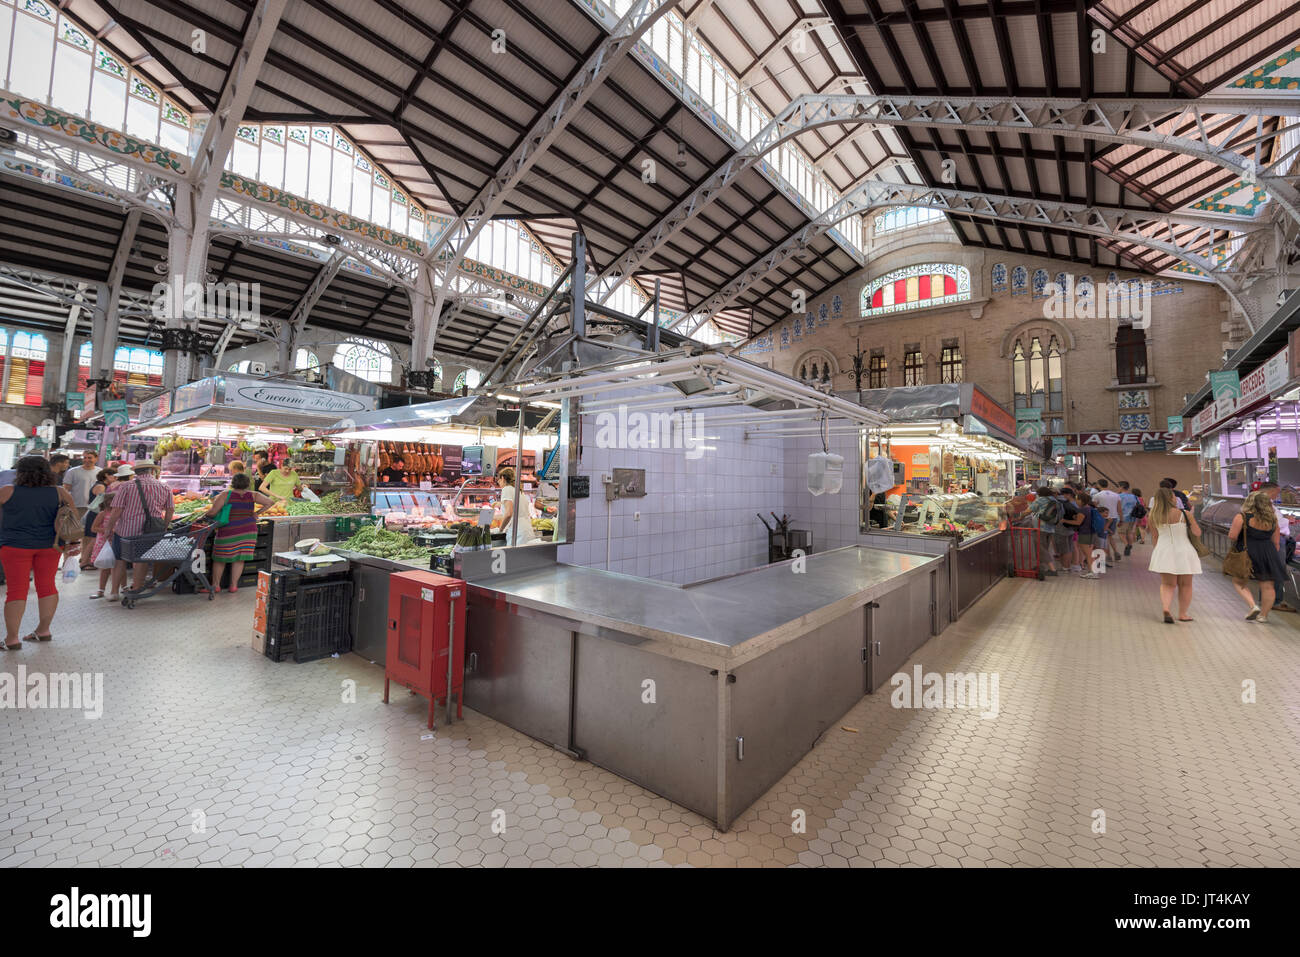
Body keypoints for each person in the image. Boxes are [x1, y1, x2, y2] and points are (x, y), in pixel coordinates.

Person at [0, 456, 76, 648]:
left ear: (20, 472)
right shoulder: (60, 493)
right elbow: (73, 519)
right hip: (50, 546)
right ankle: (43, 630)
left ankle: (12, 639)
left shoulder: (7, 491)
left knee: (16, 590)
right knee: (47, 586)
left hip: (14, 547)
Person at [102, 459, 174, 599]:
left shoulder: (127, 486)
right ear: (152, 471)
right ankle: (136, 589)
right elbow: (170, 510)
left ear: (134, 472)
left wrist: (108, 528)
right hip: (150, 532)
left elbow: (117, 510)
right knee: (142, 560)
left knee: (120, 560)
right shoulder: (164, 487)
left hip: (125, 531)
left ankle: (114, 592)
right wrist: (164, 526)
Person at [205, 472, 275, 593]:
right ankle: (233, 586)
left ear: (233, 483)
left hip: (229, 531)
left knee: (220, 558)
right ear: (247, 484)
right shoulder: (253, 495)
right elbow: (270, 502)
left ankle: (216, 585)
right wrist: (256, 514)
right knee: (239, 558)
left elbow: (212, 512)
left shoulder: (226, 495)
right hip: (249, 531)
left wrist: (203, 515)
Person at [1226, 491, 1288, 623]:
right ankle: (1263, 616)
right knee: (1268, 586)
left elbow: (1232, 536)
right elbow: (1276, 542)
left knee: (1238, 581)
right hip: (1268, 552)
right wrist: (1270, 554)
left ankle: (1253, 606)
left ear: (1250, 502)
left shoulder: (1242, 516)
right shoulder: (1272, 519)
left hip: (1247, 552)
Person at [1148, 486, 1202, 623]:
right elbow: (1197, 533)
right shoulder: (1184, 514)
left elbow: (1154, 537)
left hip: (1164, 550)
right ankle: (1183, 614)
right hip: (1184, 550)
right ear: (1172, 498)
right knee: (1186, 585)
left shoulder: (1153, 515)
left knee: (1167, 584)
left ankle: (1166, 608)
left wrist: (1157, 551)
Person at [1255, 482, 1295, 612]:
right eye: (1277, 492)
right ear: (1270, 491)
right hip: (1274, 540)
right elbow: (1274, 523)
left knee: (1267, 572)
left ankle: (1266, 600)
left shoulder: (1262, 503)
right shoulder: (1264, 504)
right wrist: (1288, 520)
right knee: (1276, 571)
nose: (1278, 495)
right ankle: (1276, 601)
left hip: (1269, 540)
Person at [78, 467, 114, 570]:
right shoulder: (101, 486)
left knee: (93, 540)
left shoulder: (101, 485)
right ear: (107, 475)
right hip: (96, 514)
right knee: (93, 540)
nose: (115, 478)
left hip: (96, 514)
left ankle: (86, 561)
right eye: (113, 476)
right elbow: (102, 501)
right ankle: (84, 562)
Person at [496, 467, 537, 547]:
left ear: (503, 478)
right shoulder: (519, 491)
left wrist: (500, 529)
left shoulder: (506, 489)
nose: (498, 481)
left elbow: (509, 514)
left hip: (517, 533)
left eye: (499, 479)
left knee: (514, 558)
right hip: (527, 530)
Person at [1028, 486, 1062, 576]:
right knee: (1044, 548)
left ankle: (1052, 569)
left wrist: (1020, 517)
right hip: (1051, 528)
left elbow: (1029, 510)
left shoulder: (1040, 500)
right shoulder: (1055, 500)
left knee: (1041, 548)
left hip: (1040, 527)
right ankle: (1040, 566)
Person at [1092, 479, 1122, 563]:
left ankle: (1108, 556)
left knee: (1103, 537)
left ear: (1098, 485)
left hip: (1102, 518)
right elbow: (1119, 509)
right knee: (1110, 536)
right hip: (1114, 517)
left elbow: (1095, 508)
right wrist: (1121, 519)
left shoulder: (1097, 495)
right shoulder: (1116, 495)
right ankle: (1115, 551)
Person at [1056, 488, 1083, 572]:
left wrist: (1064, 521)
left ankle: (1067, 566)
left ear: (1068, 494)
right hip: (1072, 528)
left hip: (1065, 528)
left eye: (1062, 494)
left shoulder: (1065, 504)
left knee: (1067, 549)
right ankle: (1074, 565)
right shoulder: (1075, 503)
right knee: (1072, 547)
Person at [1117, 481, 1139, 555]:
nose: (1118, 488)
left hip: (1123, 517)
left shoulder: (1119, 496)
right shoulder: (1133, 496)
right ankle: (1130, 545)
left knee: (1121, 533)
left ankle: (1127, 545)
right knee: (1129, 533)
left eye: (1118, 486)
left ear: (1122, 487)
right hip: (1132, 517)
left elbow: (1118, 507)